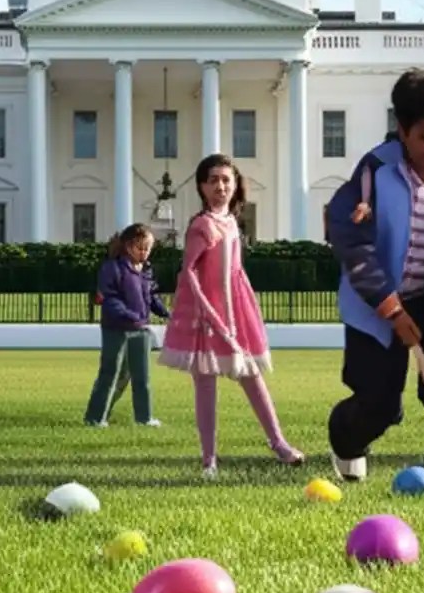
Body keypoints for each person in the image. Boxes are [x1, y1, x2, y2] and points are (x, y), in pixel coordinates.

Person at [325, 69, 424, 485]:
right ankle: (345, 438)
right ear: (403, 131)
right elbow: (352, 243)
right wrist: (392, 310)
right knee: (380, 406)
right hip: (375, 305)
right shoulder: (373, 175)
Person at [158, 153, 305, 479]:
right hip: (206, 315)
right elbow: (190, 272)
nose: (220, 186)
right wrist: (209, 313)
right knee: (205, 382)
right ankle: (209, 459)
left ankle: (278, 442)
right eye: (213, 180)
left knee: (252, 375)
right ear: (201, 186)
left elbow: (234, 271)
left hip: (236, 308)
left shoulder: (231, 223)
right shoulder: (202, 224)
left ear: (236, 184)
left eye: (226, 179)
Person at [83, 223, 170, 428]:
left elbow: (151, 297)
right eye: (140, 248)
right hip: (116, 329)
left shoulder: (145, 271)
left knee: (141, 377)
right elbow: (110, 299)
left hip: (141, 330)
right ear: (128, 246)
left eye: (147, 248)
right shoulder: (112, 268)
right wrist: (130, 316)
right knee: (110, 373)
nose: (144, 253)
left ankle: (144, 417)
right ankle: (95, 417)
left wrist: (167, 314)